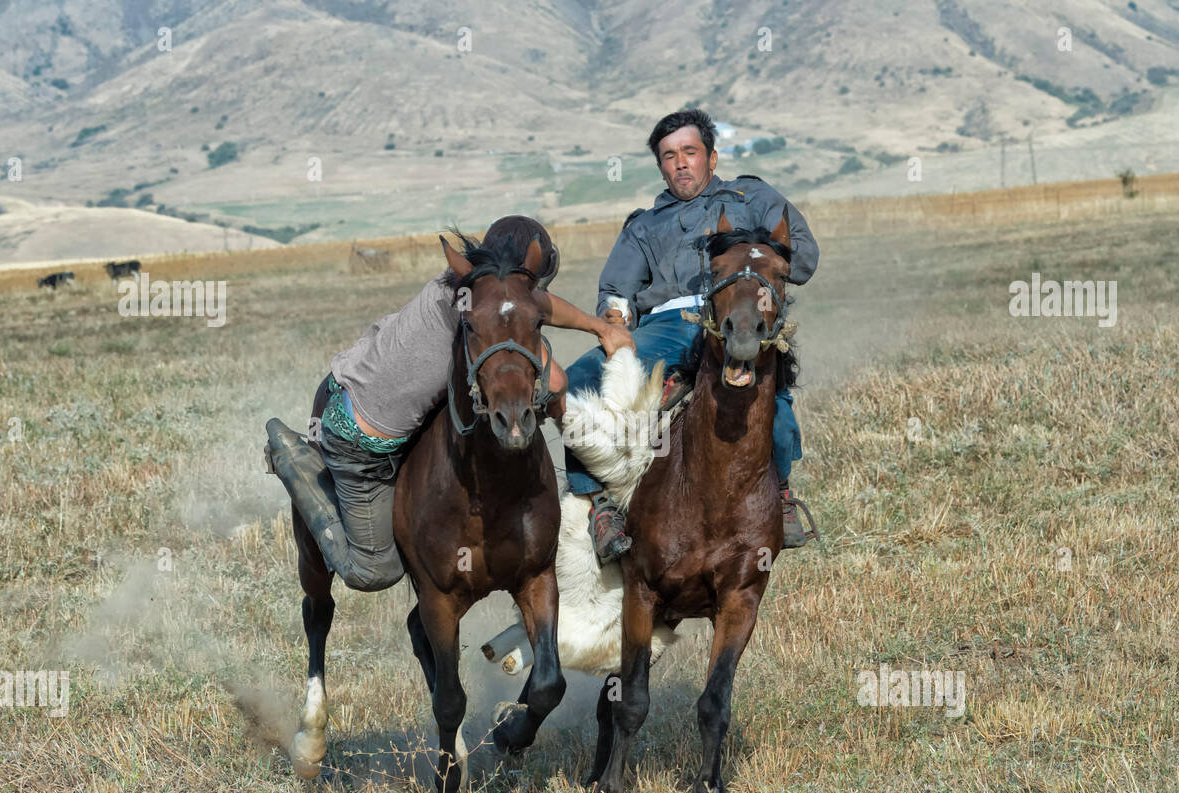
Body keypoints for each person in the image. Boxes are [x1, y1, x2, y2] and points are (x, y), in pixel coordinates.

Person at [266, 215, 632, 592]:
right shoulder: (476, 309)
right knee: (374, 571)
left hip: (369, 399)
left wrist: (600, 327)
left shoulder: (468, 285)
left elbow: (533, 303)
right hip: (358, 440)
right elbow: (554, 380)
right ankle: (296, 464)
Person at [563, 108, 820, 564]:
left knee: (771, 395)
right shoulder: (643, 226)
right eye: (668, 156)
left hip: (738, 317)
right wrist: (616, 322)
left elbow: (802, 258)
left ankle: (779, 496)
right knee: (579, 377)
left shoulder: (752, 196)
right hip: (665, 327)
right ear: (660, 166)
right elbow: (615, 290)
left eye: (689, 152)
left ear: (712, 157)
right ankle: (600, 504)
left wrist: (761, 272)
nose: (680, 163)